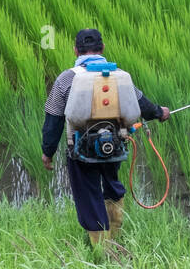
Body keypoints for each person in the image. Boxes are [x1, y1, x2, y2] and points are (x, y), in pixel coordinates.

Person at [42, 29, 169, 246]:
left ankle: (101, 248)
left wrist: (47, 152)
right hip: (115, 147)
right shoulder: (119, 75)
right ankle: (115, 237)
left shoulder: (66, 79)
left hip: (80, 150)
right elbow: (141, 104)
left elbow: (53, 119)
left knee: (89, 194)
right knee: (112, 185)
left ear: (75, 50)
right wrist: (160, 112)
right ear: (102, 49)